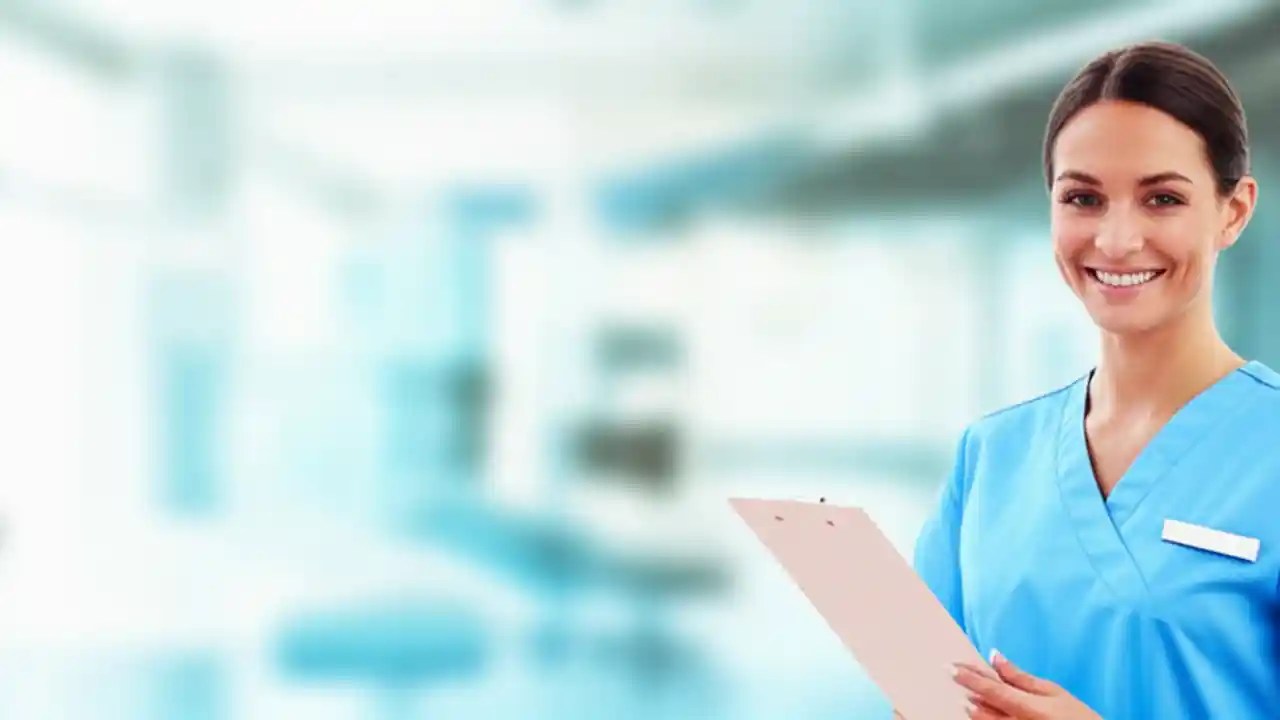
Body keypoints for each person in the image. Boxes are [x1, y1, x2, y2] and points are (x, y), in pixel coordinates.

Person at [910, 40, 1278, 719]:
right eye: (1083, 198)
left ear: (1233, 211)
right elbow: (926, 691)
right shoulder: (990, 456)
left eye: (1162, 198)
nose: (1114, 241)